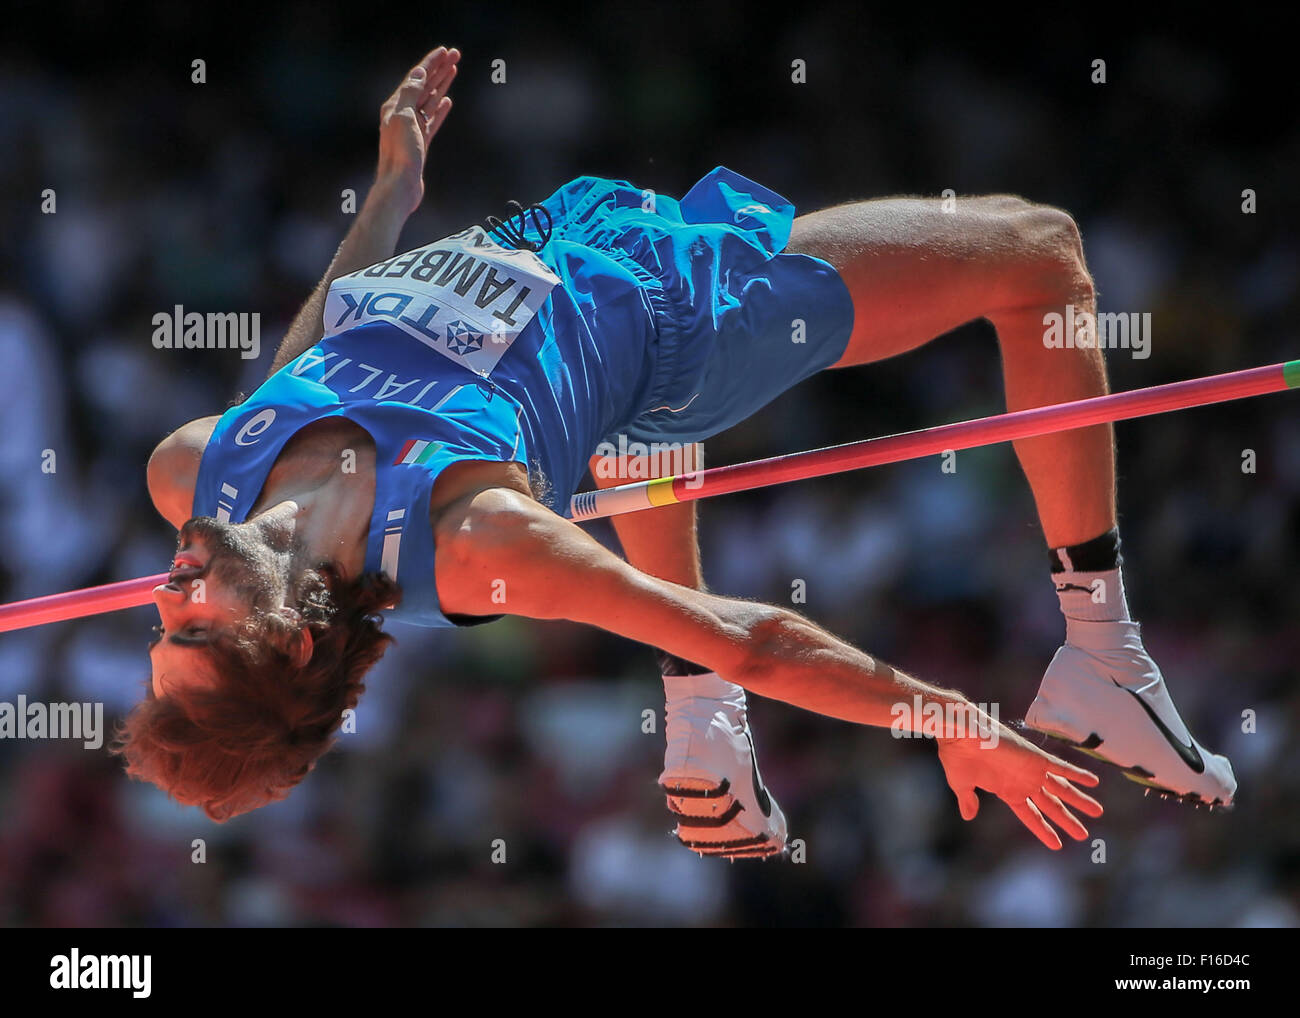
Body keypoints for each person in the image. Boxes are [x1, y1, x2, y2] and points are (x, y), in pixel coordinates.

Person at [119, 46, 1233, 860]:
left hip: (571, 251)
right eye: (192, 634)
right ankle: (1101, 650)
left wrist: (390, 202)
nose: (165, 599)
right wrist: (953, 718)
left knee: (622, 436)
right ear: (296, 646)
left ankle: (701, 732)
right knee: (1038, 255)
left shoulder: (194, 469)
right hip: (675, 317)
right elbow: (751, 637)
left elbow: (317, 348)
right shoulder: (472, 543)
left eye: (157, 632)